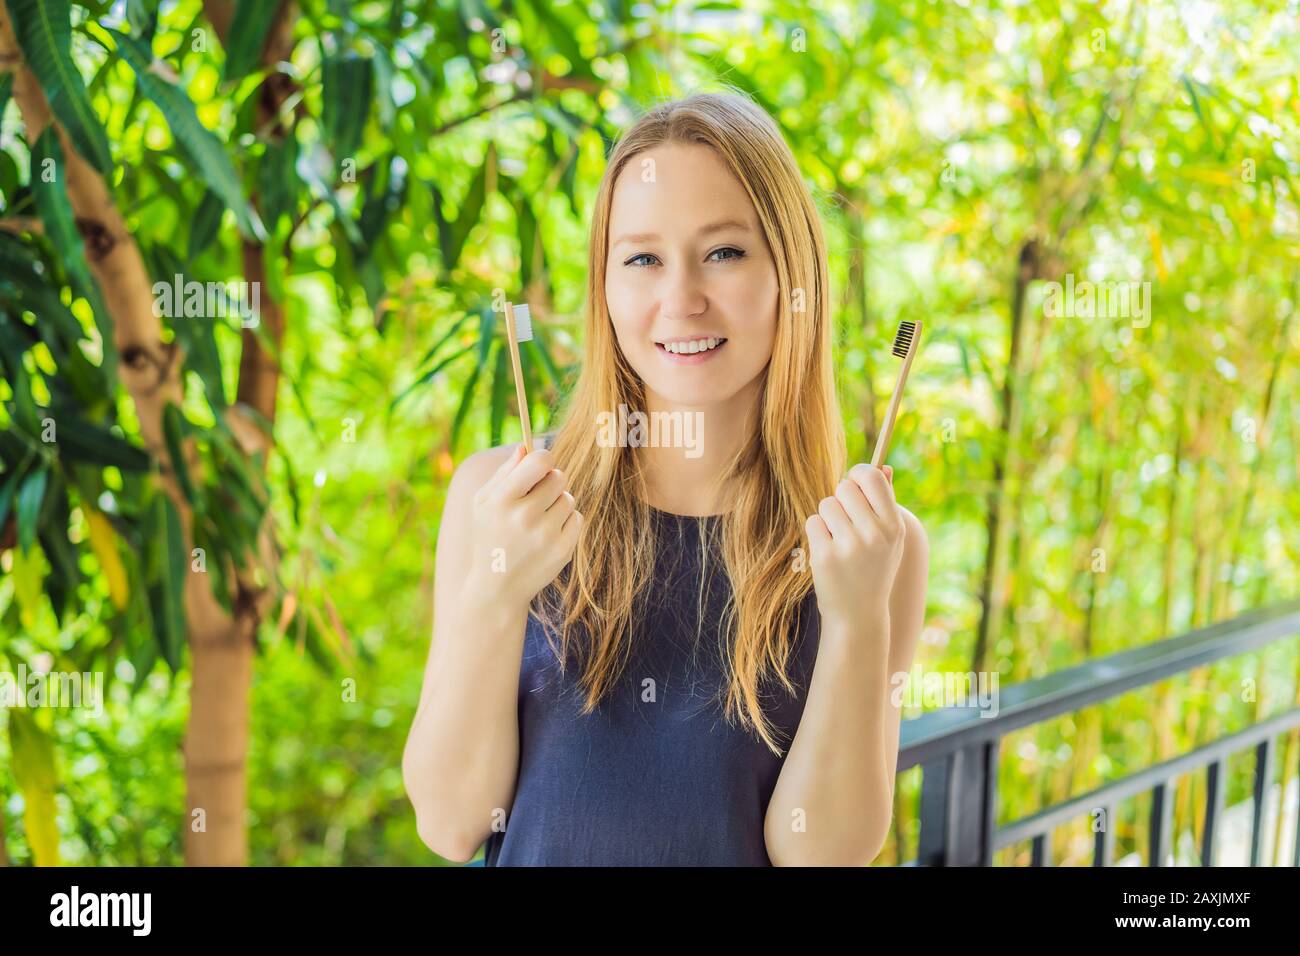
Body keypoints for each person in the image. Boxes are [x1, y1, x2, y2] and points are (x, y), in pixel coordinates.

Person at [402, 89, 929, 866]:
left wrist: (854, 620)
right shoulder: (498, 499)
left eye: (724, 252)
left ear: (793, 277)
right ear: (605, 289)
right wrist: (496, 591)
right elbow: (451, 825)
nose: (680, 299)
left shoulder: (871, 546)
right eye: (642, 258)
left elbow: (823, 854)